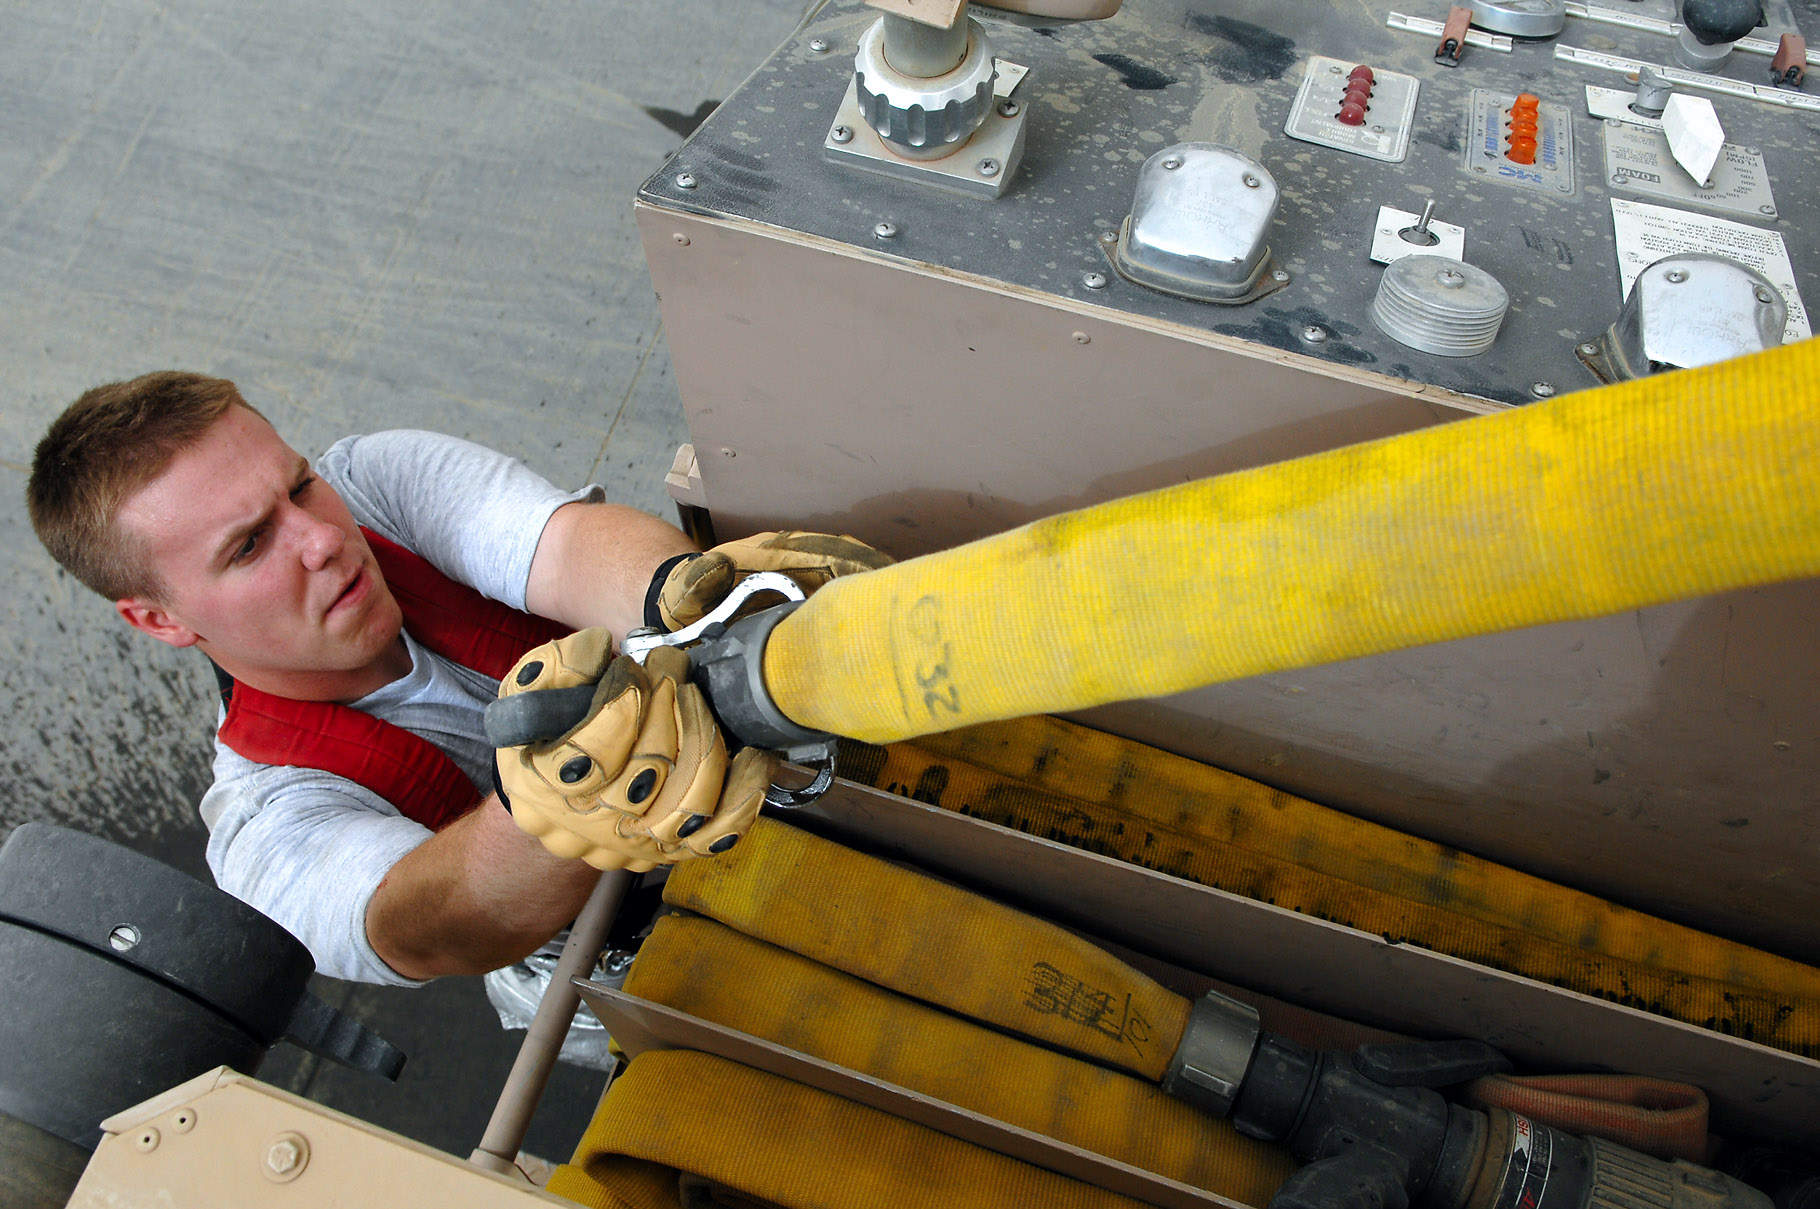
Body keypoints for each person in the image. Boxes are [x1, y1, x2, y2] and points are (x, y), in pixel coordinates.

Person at [26, 371, 886, 989]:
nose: (322, 536)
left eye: (298, 486)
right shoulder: (266, 825)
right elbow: (433, 923)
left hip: (781, 774)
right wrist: (562, 804)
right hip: (660, 948)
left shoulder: (376, 483)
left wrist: (683, 603)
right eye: (250, 545)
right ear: (161, 619)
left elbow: (569, 546)